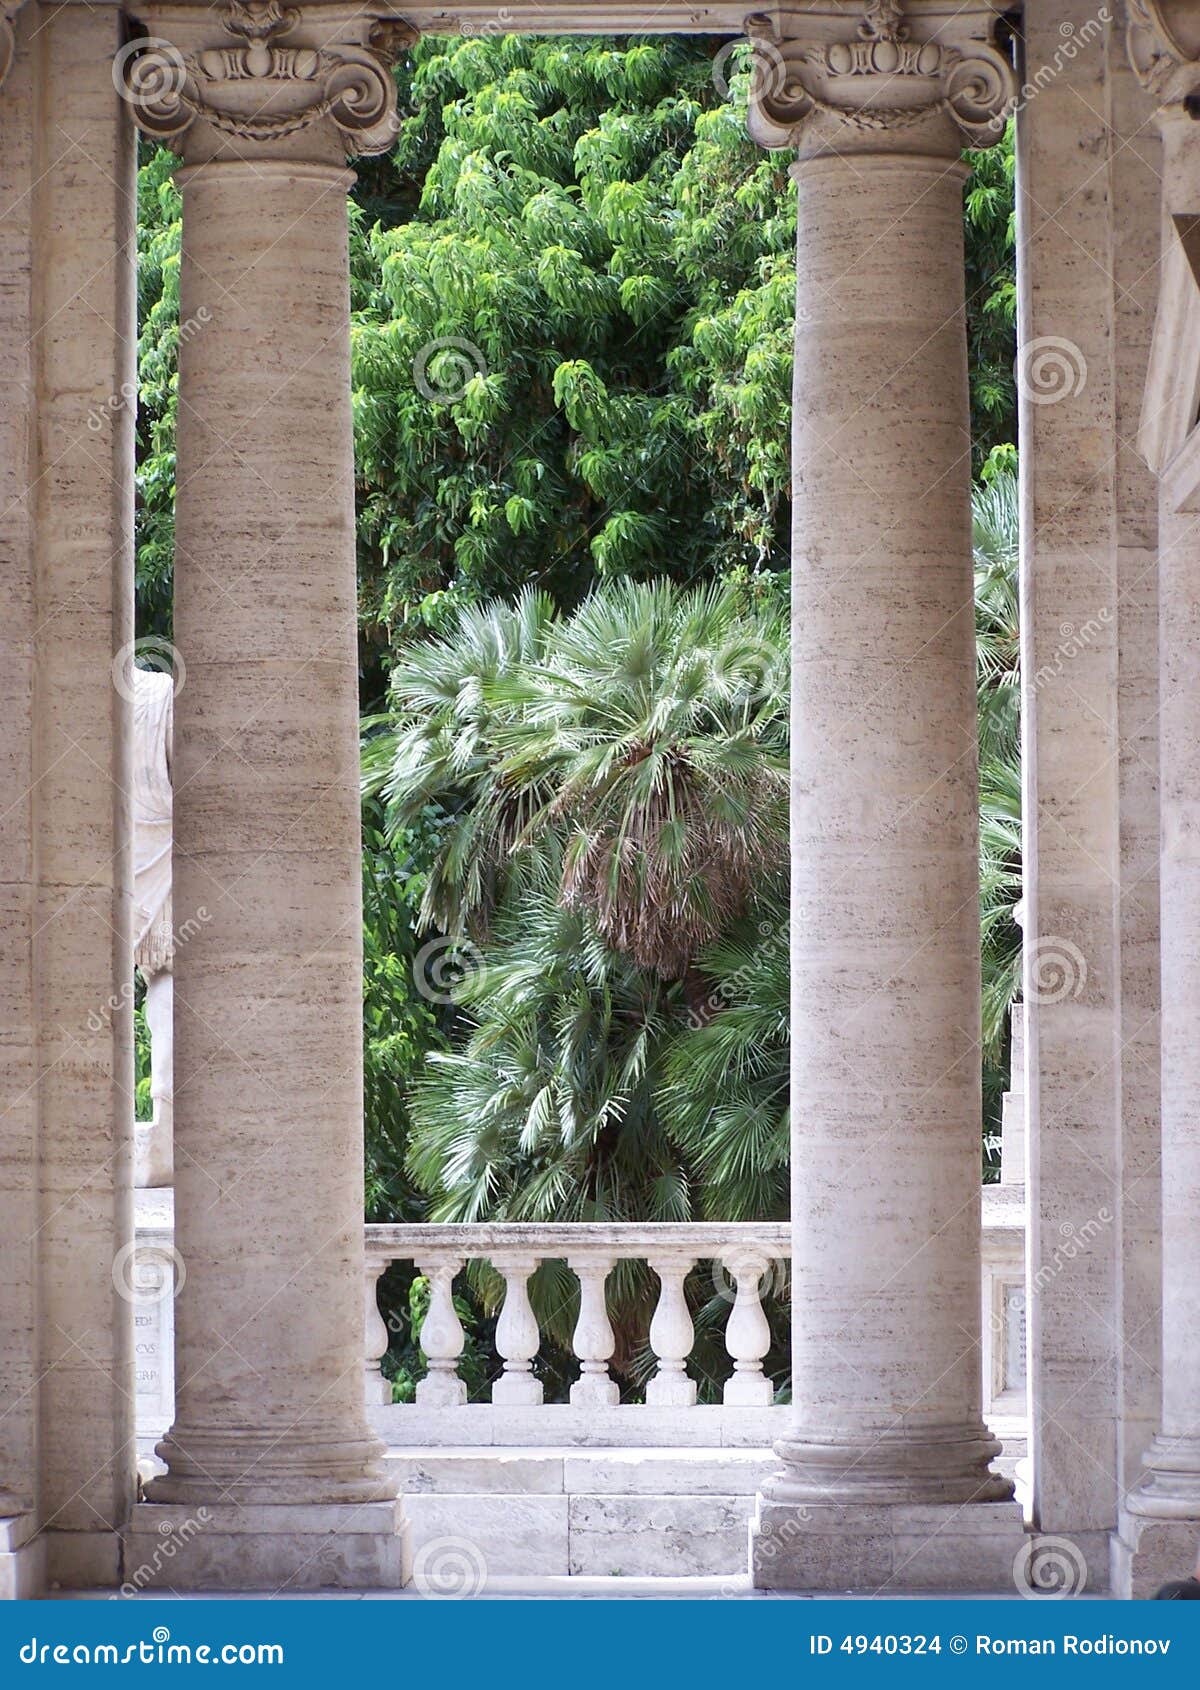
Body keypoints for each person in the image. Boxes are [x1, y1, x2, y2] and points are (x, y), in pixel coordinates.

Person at [132, 667, 174, 1188]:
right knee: (168, 980)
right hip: (157, 859)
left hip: (149, 857)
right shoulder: (160, 694)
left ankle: (165, 1122)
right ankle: (165, 1119)